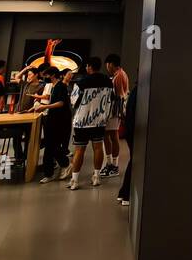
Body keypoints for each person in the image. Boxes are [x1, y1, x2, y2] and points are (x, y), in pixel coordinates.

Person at [68, 57, 113, 189]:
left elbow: (73, 101)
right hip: (99, 120)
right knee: (98, 148)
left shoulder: (82, 81)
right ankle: (96, 177)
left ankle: (75, 180)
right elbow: (111, 99)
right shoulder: (108, 81)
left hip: (82, 122)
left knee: (79, 150)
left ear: (89, 67)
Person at [36, 68, 74, 183]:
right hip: (53, 119)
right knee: (50, 146)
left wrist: (45, 107)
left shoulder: (60, 87)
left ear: (52, 75)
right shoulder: (54, 87)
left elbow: (61, 103)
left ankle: (65, 164)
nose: (45, 76)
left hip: (59, 120)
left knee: (52, 146)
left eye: (46, 74)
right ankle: (51, 172)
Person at [102, 53, 130, 177]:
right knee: (109, 136)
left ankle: (114, 165)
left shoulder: (119, 76)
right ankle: (110, 164)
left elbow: (119, 96)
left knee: (112, 136)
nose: (107, 67)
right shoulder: (120, 74)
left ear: (111, 64)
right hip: (114, 111)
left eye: (107, 64)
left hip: (114, 111)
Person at [118, 84, 138, 206]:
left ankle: (123, 193)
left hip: (130, 131)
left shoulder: (137, 90)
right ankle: (126, 194)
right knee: (135, 161)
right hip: (135, 132)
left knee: (134, 161)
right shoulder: (142, 92)